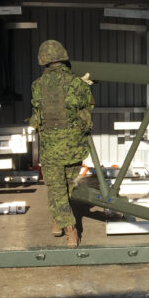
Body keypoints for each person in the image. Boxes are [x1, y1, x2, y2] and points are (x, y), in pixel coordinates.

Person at [30, 39, 94, 248]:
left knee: (56, 189)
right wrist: (83, 86)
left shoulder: (37, 86)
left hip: (50, 148)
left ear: (43, 61)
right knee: (65, 187)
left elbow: (37, 111)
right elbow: (88, 105)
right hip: (74, 147)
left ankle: (70, 230)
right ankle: (59, 222)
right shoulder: (76, 84)